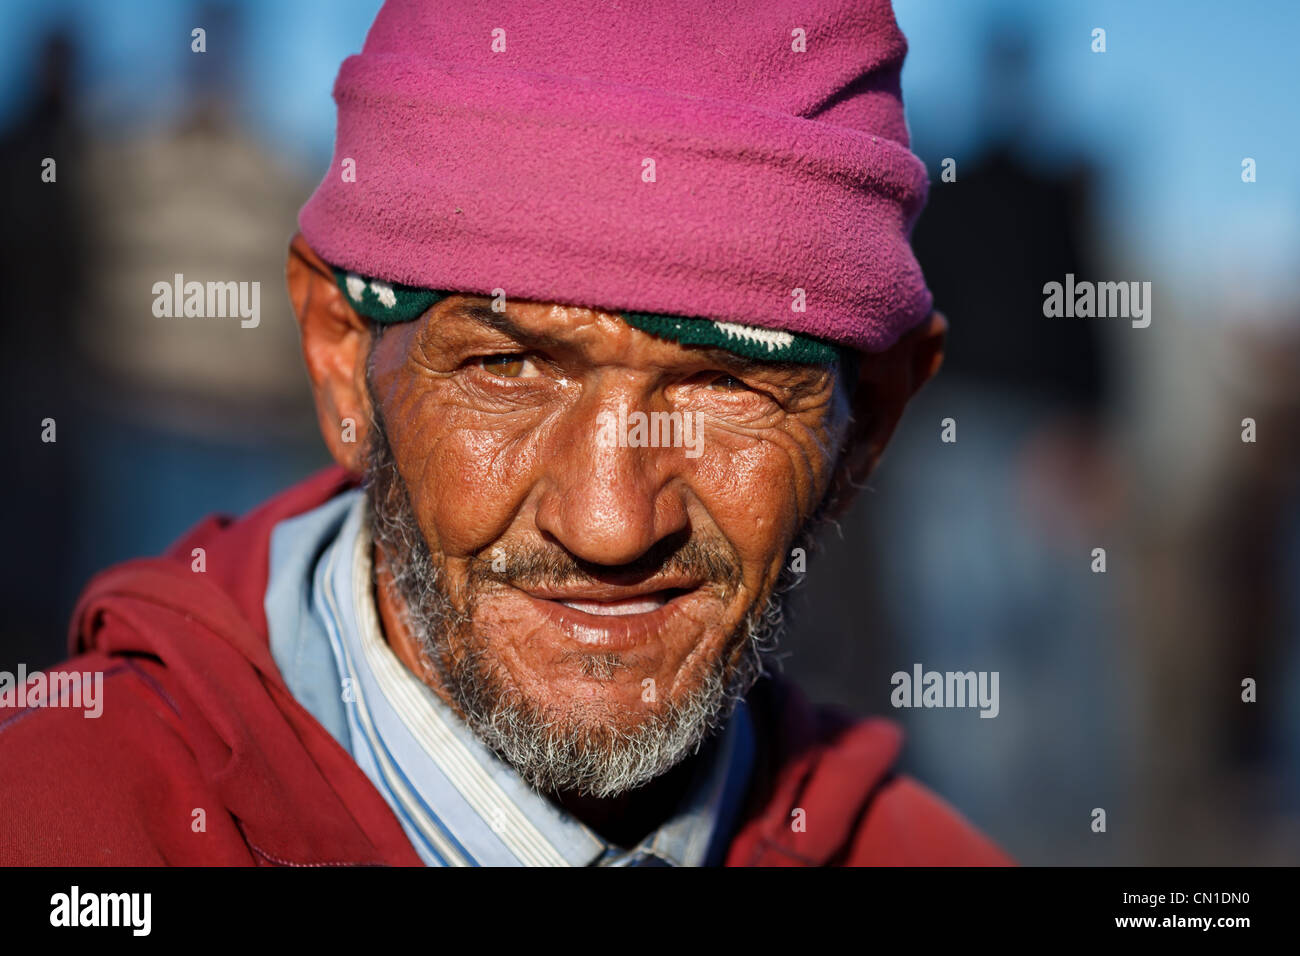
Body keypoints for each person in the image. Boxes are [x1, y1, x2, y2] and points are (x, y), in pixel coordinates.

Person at [0, 0, 1009, 866]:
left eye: (724, 384)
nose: (610, 525)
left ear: (869, 423)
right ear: (341, 358)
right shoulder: (58, 821)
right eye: (507, 369)